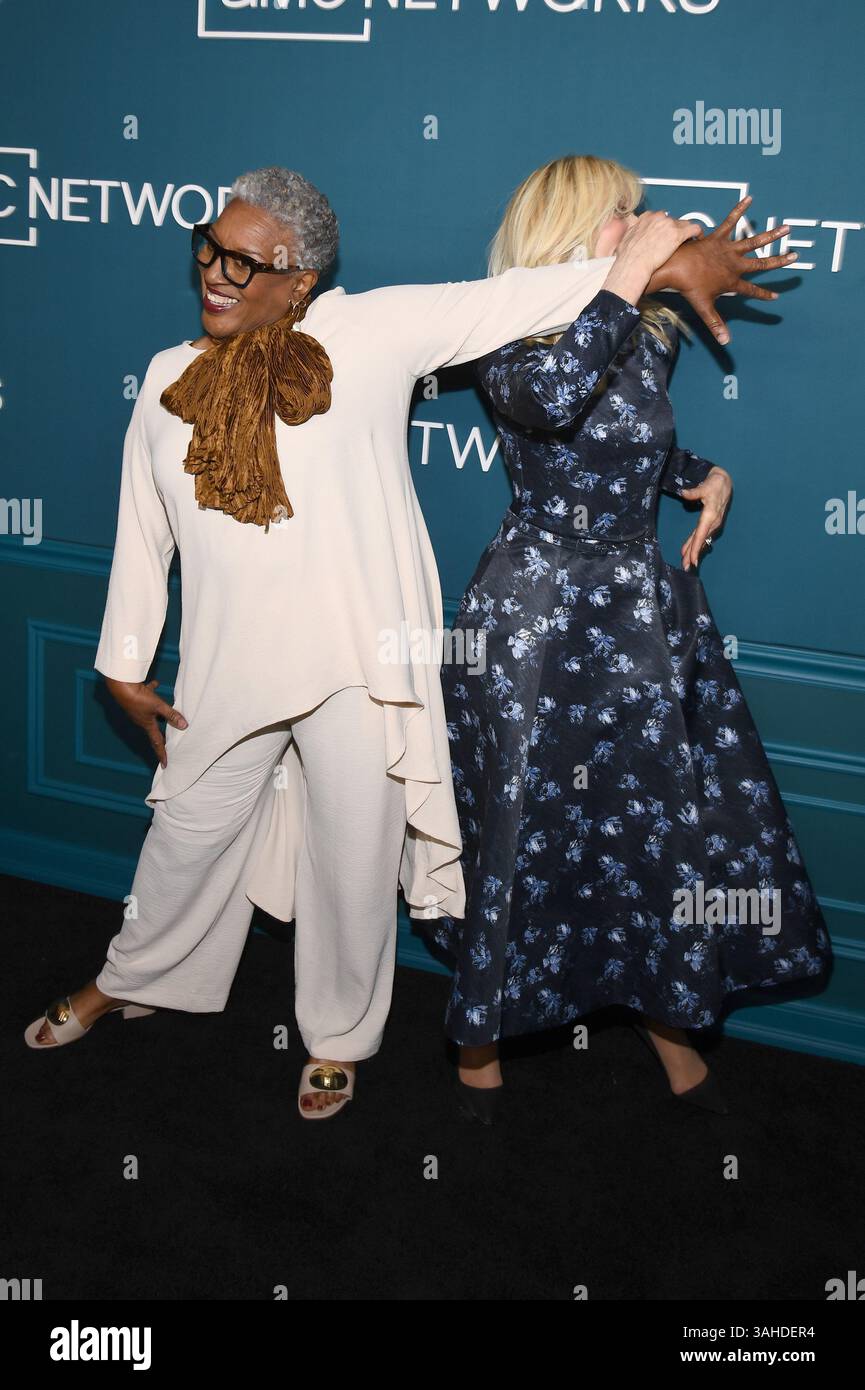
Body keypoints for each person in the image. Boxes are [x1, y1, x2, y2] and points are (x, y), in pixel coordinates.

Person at [24, 164, 798, 1123]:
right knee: (183, 836)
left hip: (360, 668)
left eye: (243, 260)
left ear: (298, 274)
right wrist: (124, 658)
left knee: (354, 860)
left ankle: (337, 1038)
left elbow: (517, 296)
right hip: (231, 660)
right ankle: (131, 976)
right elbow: (145, 523)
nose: (215, 274)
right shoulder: (168, 378)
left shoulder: (371, 331)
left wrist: (662, 260)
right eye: (206, 251)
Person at [428, 155, 831, 1124]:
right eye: (629, 214)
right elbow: (550, 400)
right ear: (578, 226)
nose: (649, 226)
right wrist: (632, 271)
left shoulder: (646, 332)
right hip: (532, 616)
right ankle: (480, 1022)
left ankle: (663, 1007)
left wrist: (700, 470)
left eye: (644, 213)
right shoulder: (507, 320)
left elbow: (619, 437)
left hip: (638, 611)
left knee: (653, 821)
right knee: (520, 822)